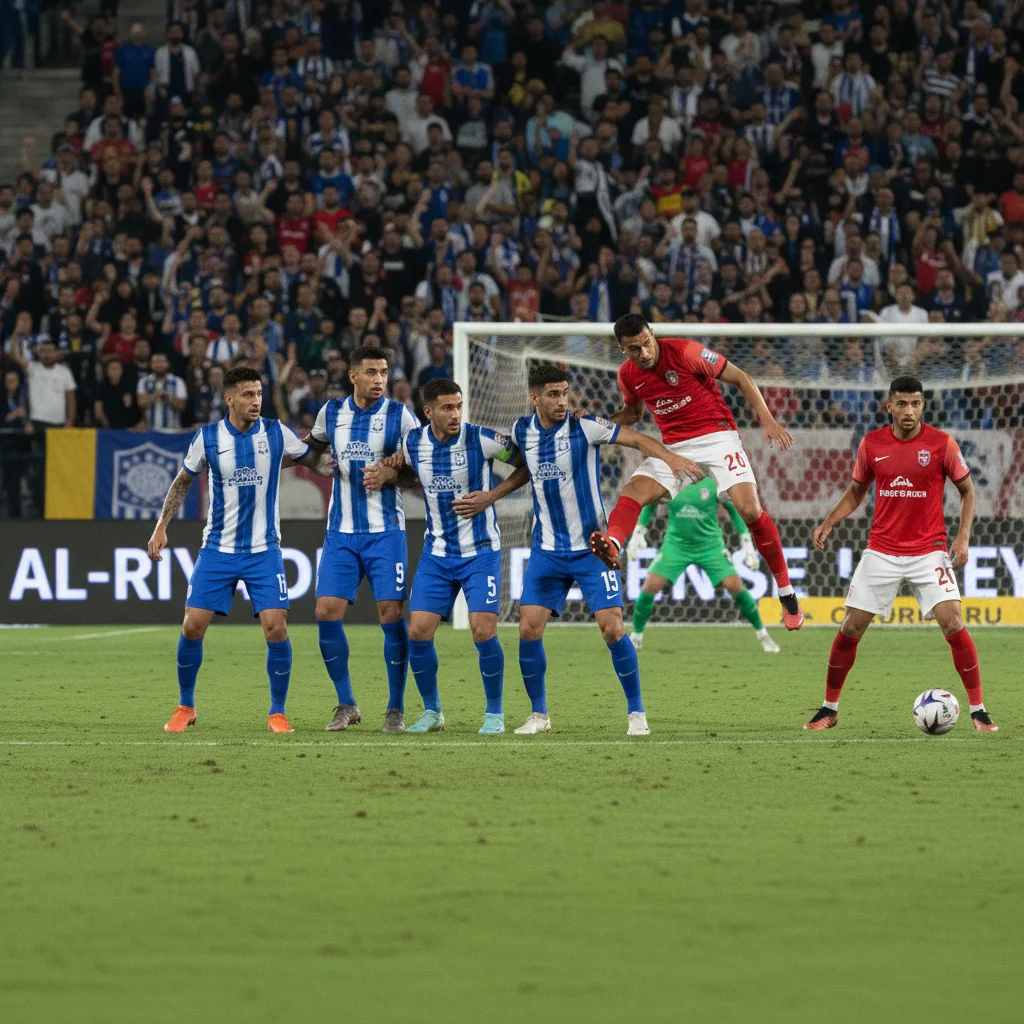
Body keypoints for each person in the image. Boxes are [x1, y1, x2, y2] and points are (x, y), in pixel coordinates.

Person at [490, 364, 701, 737]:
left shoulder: (585, 426)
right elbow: (523, 467)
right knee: (528, 628)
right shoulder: (522, 431)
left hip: (592, 548)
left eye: (565, 393)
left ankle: (636, 713)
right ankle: (539, 715)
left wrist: (671, 459)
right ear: (534, 398)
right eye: (553, 395)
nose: (562, 401)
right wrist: (490, 495)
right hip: (547, 550)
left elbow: (637, 439)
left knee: (613, 628)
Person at [147, 367, 334, 734]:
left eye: (259, 393)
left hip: (264, 550)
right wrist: (160, 526)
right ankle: (186, 706)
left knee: (276, 627)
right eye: (248, 395)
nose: (256, 401)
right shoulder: (208, 438)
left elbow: (311, 457)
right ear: (229, 399)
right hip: (218, 549)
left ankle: (277, 713)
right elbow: (183, 481)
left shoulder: (276, 432)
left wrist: (339, 464)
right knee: (192, 626)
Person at [588, 313, 804, 631]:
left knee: (749, 509)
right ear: (623, 350)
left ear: (653, 334)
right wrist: (597, 424)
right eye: (634, 349)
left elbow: (741, 378)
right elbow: (632, 414)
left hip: (718, 436)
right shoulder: (628, 375)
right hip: (675, 448)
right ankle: (613, 544)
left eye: (647, 343)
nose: (644, 353)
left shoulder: (686, 352)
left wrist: (768, 421)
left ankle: (786, 594)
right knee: (634, 490)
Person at [807, 375, 998, 732]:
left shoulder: (942, 444)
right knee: (850, 626)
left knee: (953, 621)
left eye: (915, 404)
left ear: (923, 406)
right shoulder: (872, 444)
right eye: (902, 404)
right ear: (889, 407)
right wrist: (829, 521)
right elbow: (856, 491)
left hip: (929, 551)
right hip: (882, 550)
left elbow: (968, 491)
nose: (909, 411)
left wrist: (963, 538)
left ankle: (979, 711)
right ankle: (829, 709)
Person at [371, 378, 527, 734]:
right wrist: (388, 470)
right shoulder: (413, 442)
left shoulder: (483, 439)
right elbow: (407, 472)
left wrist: (491, 496)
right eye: (447, 408)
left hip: (480, 552)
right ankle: (432, 712)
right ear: (429, 412)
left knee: (482, 629)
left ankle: (494, 714)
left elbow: (525, 466)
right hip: (437, 554)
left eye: (458, 406)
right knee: (418, 630)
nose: (456, 414)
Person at [304, 345, 420, 734]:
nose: (379, 379)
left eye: (384, 372)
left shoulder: (401, 416)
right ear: (353, 376)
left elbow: (420, 470)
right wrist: (319, 463)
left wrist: (391, 475)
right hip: (341, 532)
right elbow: (311, 450)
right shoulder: (331, 412)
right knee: (325, 611)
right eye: (371, 372)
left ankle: (395, 708)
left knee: (391, 613)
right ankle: (346, 704)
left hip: (386, 531)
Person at [626, 480, 780, 654]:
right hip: (676, 545)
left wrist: (746, 541)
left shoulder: (715, 480)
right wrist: (639, 531)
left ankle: (763, 634)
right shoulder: (670, 479)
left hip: (710, 546)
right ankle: (636, 637)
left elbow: (734, 511)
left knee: (735, 585)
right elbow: (650, 505)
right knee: (650, 585)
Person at [136, 350, 188, 431]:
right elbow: (141, 403)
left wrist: (170, 399)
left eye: (162, 362)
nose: (159, 365)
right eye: (156, 362)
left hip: (172, 430)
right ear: (151, 364)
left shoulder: (178, 381)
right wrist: (155, 395)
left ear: (168, 364)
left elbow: (182, 407)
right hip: (150, 430)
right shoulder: (144, 381)